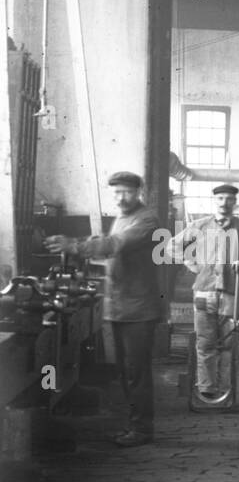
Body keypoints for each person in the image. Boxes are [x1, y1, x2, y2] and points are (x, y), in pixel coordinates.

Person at [45, 171, 164, 446]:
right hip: (120, 307)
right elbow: (107, 239)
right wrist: (79, 240)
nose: (121, 198)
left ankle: (142, 429)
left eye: (127, 192)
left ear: (139, 192)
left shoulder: (147, 220)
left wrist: (75, 246)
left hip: (139, 310)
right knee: (125, 371)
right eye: (117, 193)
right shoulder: (123, 217)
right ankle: (135, 425)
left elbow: (116, 244)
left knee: (136, 372)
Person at [176, 184, 239, 398]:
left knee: (228, 344)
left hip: (230, 294)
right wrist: (192, 264)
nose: (224, 203)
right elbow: (172, 246)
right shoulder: (199, 226)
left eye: (229, 199)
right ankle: (206, 390)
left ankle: (225, 391)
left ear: (235, 202)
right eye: (220, 198)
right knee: (205, 343)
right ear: (215, 201)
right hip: (204, 293)